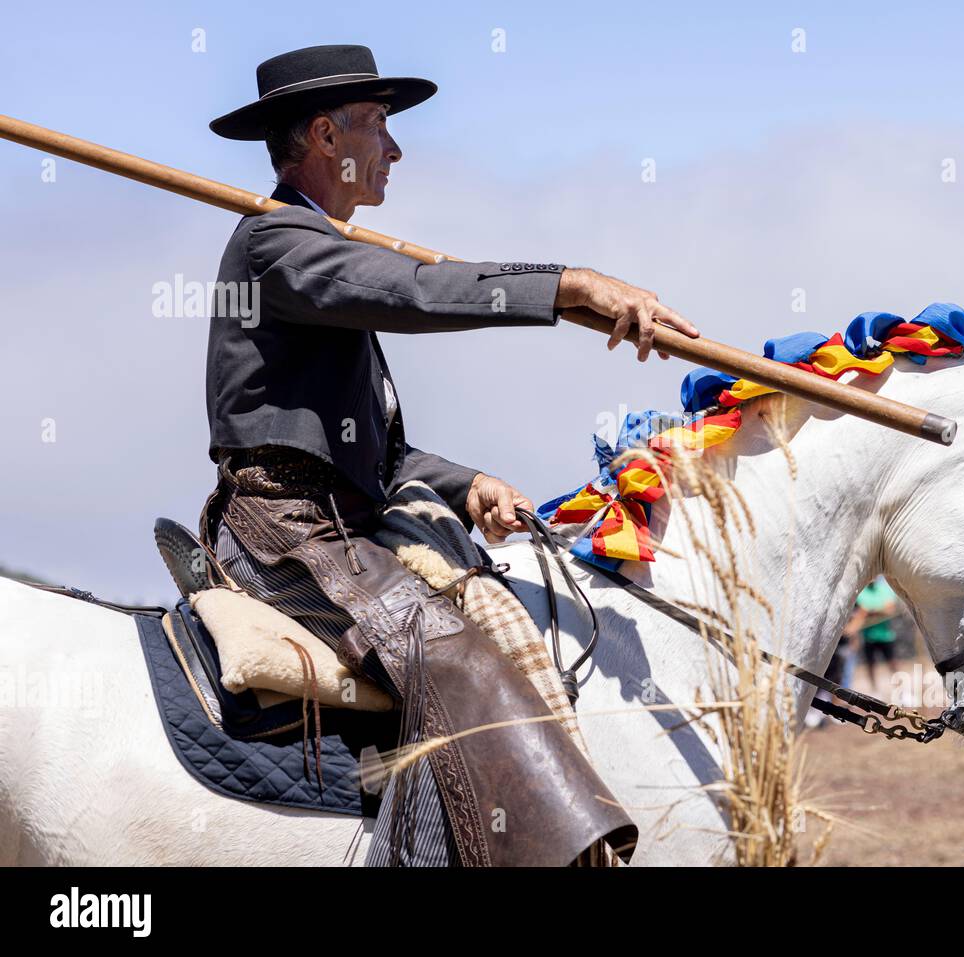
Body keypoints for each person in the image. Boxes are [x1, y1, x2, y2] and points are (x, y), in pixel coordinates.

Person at [200, 45, 700, 865]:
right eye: (380, 128)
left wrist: (467, 487)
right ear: (327, 136)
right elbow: (418, 290)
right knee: (461, 666)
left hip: (335, 527)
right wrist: (572, 284)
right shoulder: (276, 244)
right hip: (283, 536)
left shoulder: (313, 246)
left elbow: (379, 455)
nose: (395, 150)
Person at [854, 577, 898, 693]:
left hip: (886, 635)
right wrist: (878, 610)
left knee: (892, 663)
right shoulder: (861, 592)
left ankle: (900, 690)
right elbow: (861, 611)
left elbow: (890, 609)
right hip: (869, 635)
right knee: (871, 665)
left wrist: (870, 611)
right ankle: (875, 690)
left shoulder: (885, 589)